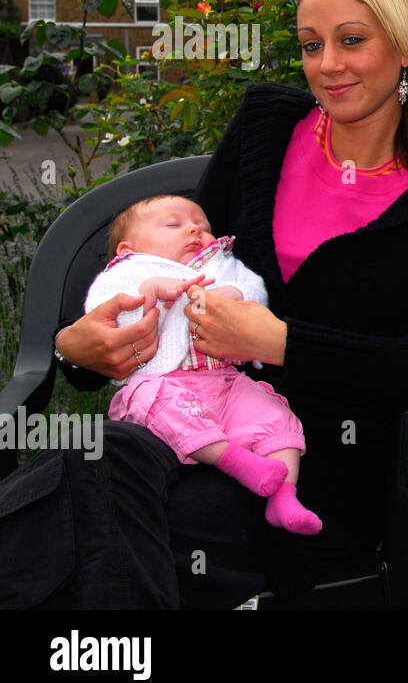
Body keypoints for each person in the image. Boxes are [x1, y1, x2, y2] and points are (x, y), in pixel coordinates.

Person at [3, 0, 408, 608]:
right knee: (90, 462)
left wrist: (279, 343)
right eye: (310, 44)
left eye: (352, 40)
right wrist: (78, 351)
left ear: (406, 46)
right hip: (176, 424)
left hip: (312, 465)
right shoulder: (268, 126)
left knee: (85, 512)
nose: (327, 65)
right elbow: (170, 269)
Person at [89, 194, 319, 535]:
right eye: (173, 224)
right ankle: (241, 464)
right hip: (163, 382)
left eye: (203, 225)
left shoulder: (221, 263)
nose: (194, 230)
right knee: (166, 408)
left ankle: (284, 497)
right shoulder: (126, 271)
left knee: (273, 415)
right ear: (127, 248)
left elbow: (254, 290)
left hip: (224, 379)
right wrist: (150, 290)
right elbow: (105, 315)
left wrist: (236, 295)